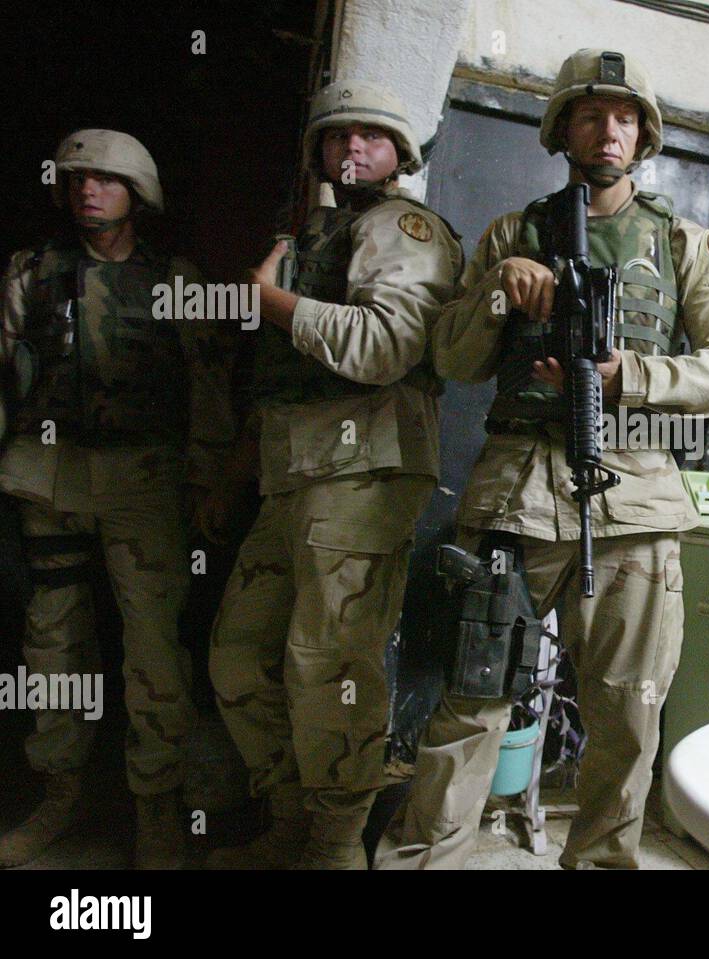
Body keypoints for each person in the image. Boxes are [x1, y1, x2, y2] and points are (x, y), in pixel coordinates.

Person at [376, 48, 709, 870]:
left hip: (635, 501)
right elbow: (450, 358)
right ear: (562, 129)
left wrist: (635, 377)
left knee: (628, 715)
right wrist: (496, 290)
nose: (609, 130)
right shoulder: (512, 233)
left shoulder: (682, 242)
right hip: (517, 496)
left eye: (625, 116)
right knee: (474, 698)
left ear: (644, 134)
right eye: (591, 114)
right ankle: (423, 859)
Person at [205, 80, 462, 869]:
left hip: (363, 469)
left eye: (371, 136)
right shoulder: (315, 233)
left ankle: (333, 846)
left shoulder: (402, 226)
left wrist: (269, 302)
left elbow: (386, 346)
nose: (352, 148)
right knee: (240, 655)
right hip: (296, 470)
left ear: (399, 155)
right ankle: (289, 820)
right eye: (337, 136)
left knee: (331, 665)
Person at [0, 129, 236, 868]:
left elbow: (208, 387)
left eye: (104, 180)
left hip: (145, 484)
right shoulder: (32, 272)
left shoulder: (178, 278)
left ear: (139, 192)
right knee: (51, 641)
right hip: (48, 477)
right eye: (75, 181)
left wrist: (209, 479)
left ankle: (156, 803)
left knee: (153, 647)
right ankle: (60, 792)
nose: (87, 192)